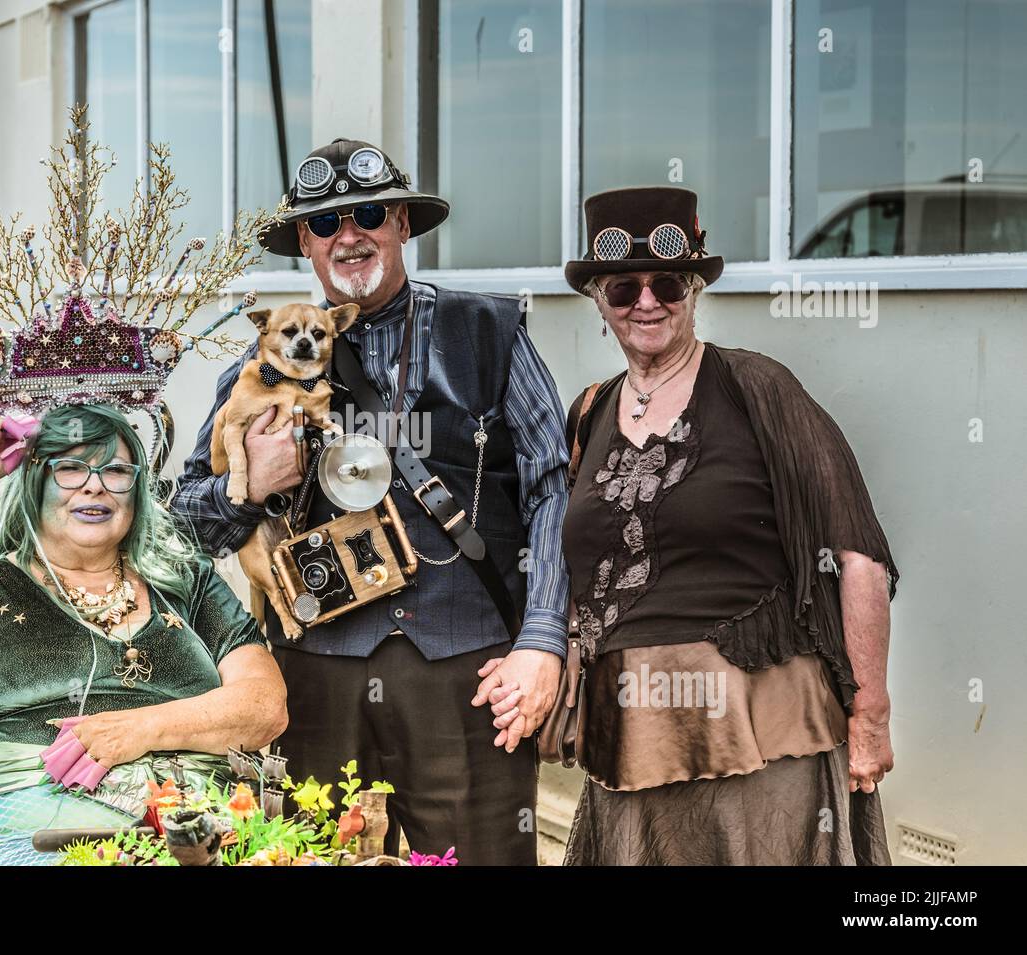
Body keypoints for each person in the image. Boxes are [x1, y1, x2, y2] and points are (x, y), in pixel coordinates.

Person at [172, 138, 570, 864]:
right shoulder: (262, 362)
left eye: (367, 213)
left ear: (402, 225)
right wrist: (251, 486)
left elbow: (553, 482)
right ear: (305, 243)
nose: (347, 234)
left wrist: (543, 639)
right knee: (304, 860)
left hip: (471, 668)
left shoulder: (492, 329)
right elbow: (182, 521)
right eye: (325, 224)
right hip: (316, 669)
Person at [559, 186, 898, 865]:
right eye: (624, 287)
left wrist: (871, 717)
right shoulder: (590, 412)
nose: (647, 302)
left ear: (694, 289)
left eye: (668, 284)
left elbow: (860, 555)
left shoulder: (758, 388)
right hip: (631, 739)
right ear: (599, 302)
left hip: (760, 732)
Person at [0, 403, 287, 865]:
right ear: (33, 481)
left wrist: (140, 728)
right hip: (9, 823)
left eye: (117, 472)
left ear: (137, 490)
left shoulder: (185, 580)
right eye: (69, 469)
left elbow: (265, 708)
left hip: (189, 823)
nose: (95, 488)